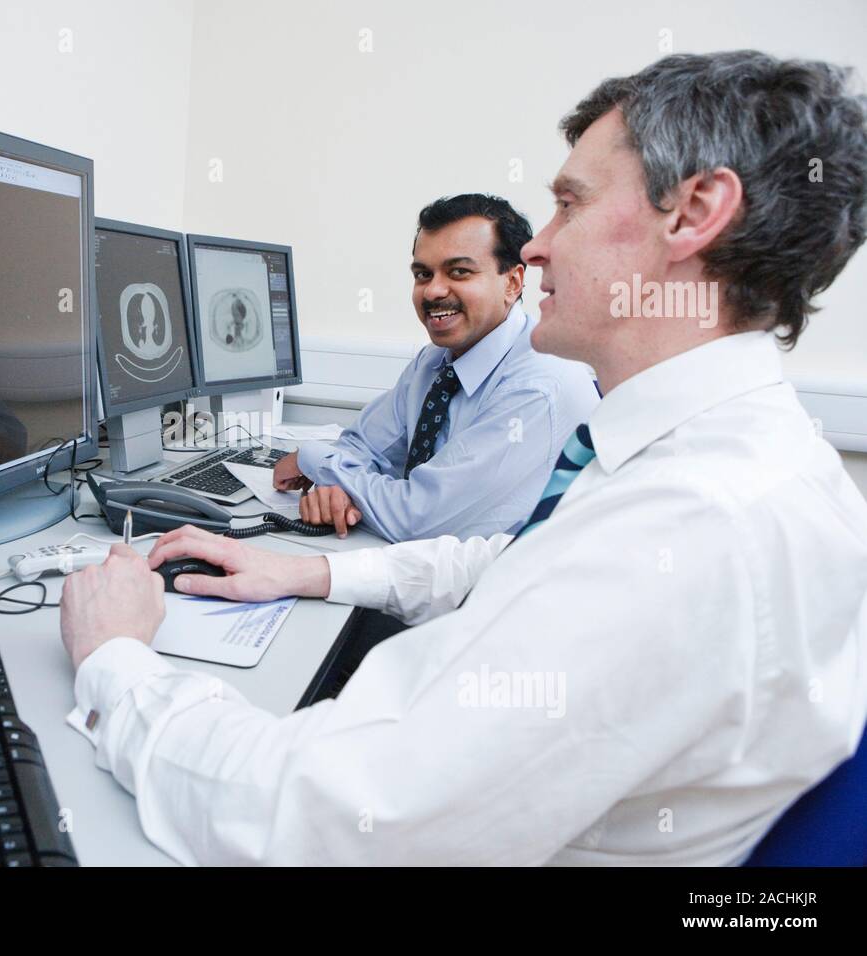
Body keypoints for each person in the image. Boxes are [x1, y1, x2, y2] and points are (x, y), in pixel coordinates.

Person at [59, 51, 867, 864]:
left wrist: (117, 662)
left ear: (694, 213)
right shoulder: (714, 453)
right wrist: (306, 573)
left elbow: (323, 816)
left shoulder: (694, 525)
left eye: (568, 205)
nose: (539, 247)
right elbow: (511, 560)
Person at [272, 194, 598, 540]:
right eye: (423, 274)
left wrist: (312, 459)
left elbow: (419, 519)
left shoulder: (537, 384)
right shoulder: (435, 362)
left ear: (512, 282)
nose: (433, 291)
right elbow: (362, 446)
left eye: (459, 271)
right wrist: (336, 492)